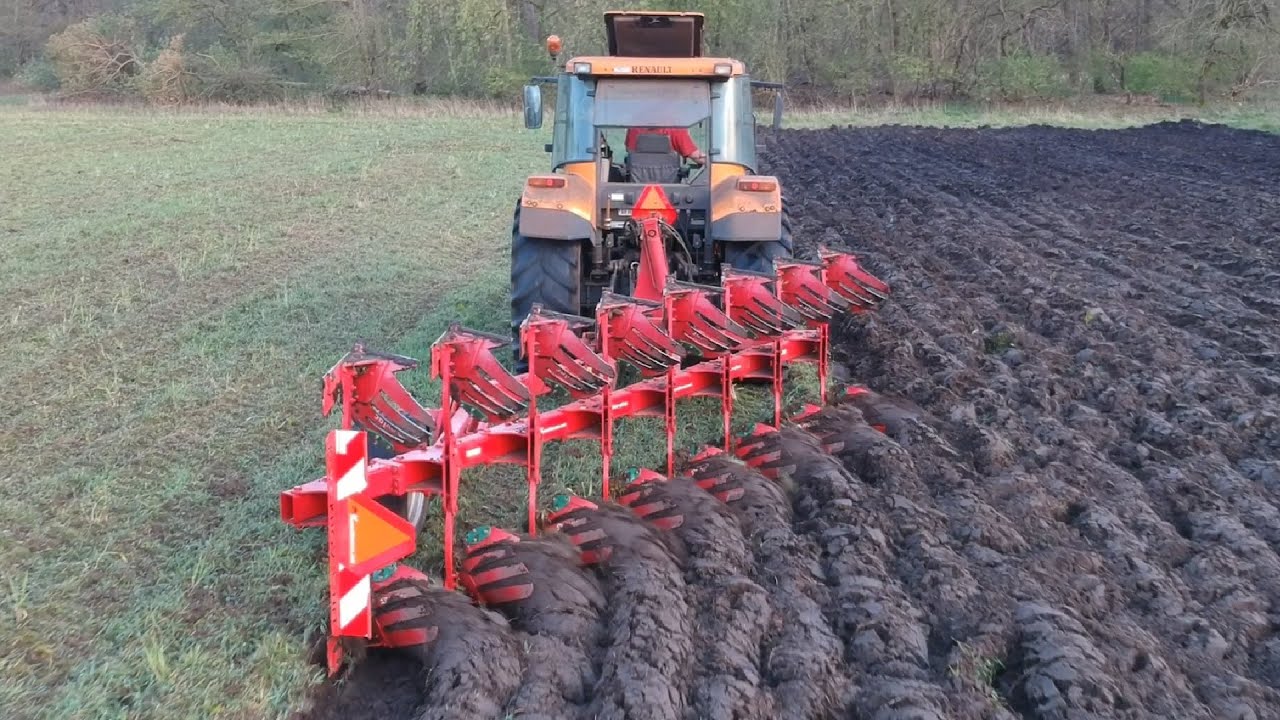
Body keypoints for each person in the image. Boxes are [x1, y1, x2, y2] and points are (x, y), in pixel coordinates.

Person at [625, 126, 707, 165]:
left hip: (637, 181)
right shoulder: (677, 129)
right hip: (670, 183)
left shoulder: (634, 128)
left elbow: (629, 151)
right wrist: (712, 160)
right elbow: (696, 156)